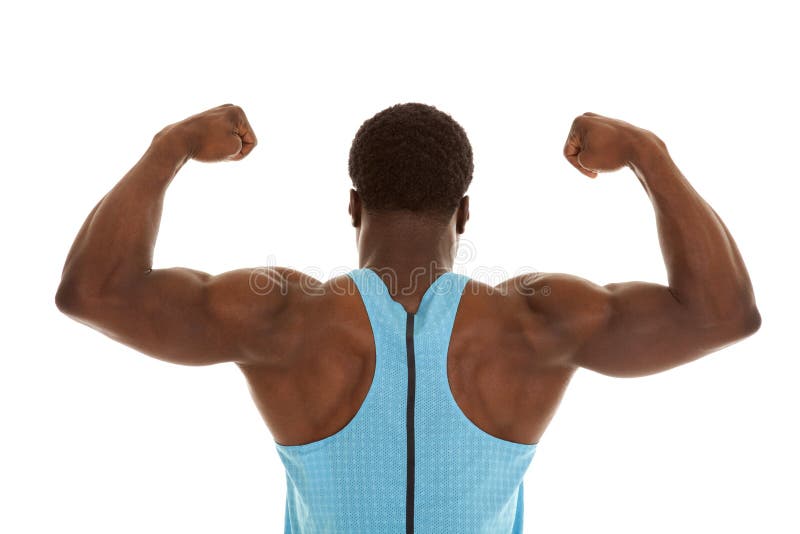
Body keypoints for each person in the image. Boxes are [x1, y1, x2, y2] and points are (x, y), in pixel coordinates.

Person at [55, 103, 761, 533]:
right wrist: (645, 153)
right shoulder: (536, 324)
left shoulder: (280, 317)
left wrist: (172, 145)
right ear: (464, 213)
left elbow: (94, 291)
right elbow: (722, 314)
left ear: (353, 206)